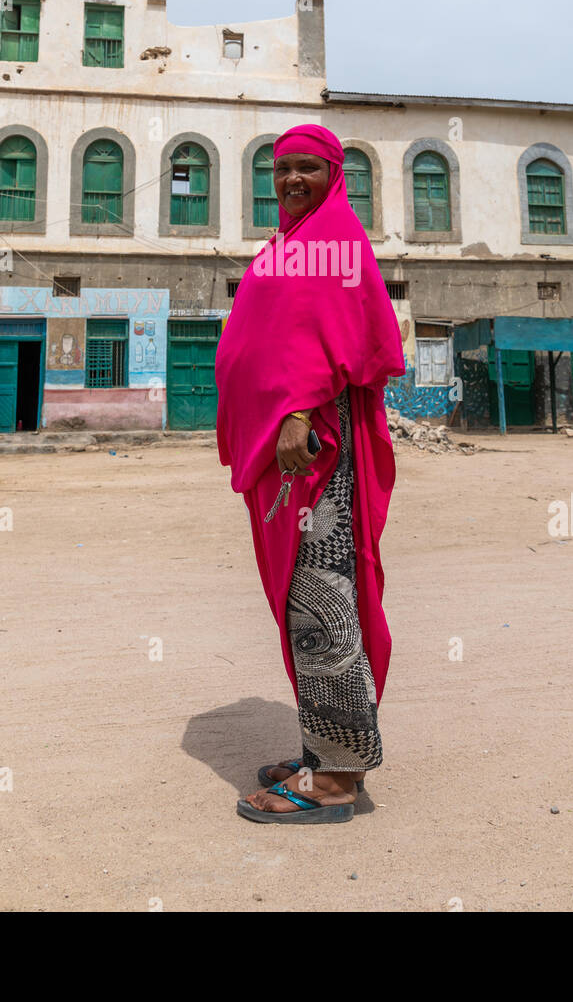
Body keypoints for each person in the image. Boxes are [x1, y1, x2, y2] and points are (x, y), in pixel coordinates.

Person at [215, 124, 405, 822]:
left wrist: (299, 409)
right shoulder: (292, 244)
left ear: (335, 174)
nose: (292, 180)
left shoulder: (336, 243)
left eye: (307, 168)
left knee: (324, 603)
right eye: (281, 169)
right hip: (286, 455)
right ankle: (322, 752)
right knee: (306, 608)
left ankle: (335, 782)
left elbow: (348, 342)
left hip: (313, 453)